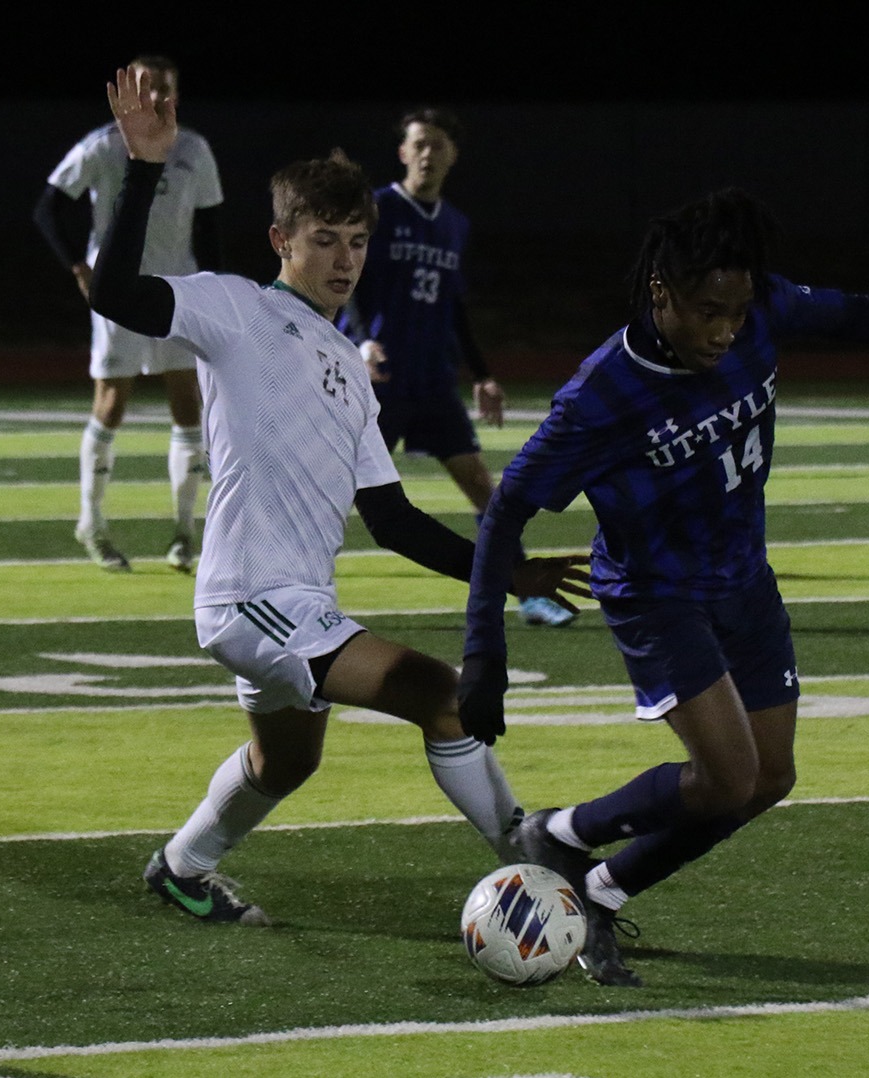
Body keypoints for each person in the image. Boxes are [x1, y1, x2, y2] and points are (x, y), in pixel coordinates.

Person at [457, 188, 869, 985]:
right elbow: (507, 509)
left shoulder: (757, 314)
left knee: (769, 780)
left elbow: (865, 315)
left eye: (738, 309)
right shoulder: (600, 397)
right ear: (661, 292)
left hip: (744, 583)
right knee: (724, 778)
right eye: (708, 311)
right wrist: (484, 652)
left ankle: (601, 892)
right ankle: (562, 832)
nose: (726, 329)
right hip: (659, 593)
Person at [88, 67, 589, 925]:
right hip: (253, 599)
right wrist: (144, 169)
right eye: (325, 239)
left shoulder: (354, 378)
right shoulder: (235, 309)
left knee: (285, 763)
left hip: (298, 601)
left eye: (358, 241)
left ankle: (181, 866)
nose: (345, 260)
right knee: (445, 693)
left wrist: (508, 571)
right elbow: (113, 293)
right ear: (280, 238)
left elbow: (390, 520)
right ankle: (545, 882)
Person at [339, 108, 575, 628]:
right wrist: (359, 340)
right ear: (403, 152)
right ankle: (289, 586)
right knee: (338, 492)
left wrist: (482, 374)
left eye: (437, 144)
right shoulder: (376, 210)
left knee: (484, 489)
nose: (427, 153)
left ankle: (526, 594)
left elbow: (454, 307)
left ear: (453, 155)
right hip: (377, 381)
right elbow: (344, 275)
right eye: (419, 143)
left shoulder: (454, 224)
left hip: (433, 382)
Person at [35, 54, 224, 574]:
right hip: (117, 291)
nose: (157, 97)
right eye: (146, 88)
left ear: (177, 94)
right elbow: (48, 206)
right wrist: (78, 264)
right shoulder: (102, 144)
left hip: (177, 290)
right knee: (112, 402)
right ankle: (90, 522)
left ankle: (184, 533)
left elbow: (209, 229)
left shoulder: (194, 149)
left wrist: (216, 290)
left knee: (188, 403)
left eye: (165, 88)